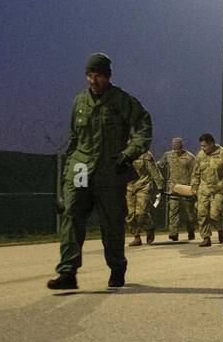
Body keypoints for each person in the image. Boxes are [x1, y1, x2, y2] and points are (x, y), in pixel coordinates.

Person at [48, 53, 152, 290]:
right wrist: (66, 183)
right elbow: (74, 141)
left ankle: (117, 269)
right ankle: (68, 272)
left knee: (112, 223)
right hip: (82, 168)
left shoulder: (121, 100)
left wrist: (130, 153)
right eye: (90, 76)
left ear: (108, 77)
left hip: (110, 169)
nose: (94, 81)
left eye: (99, 76)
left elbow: (144, 125)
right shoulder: (79, 102)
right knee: (72, 215)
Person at [191, 133, 223, 247]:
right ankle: (206, 237)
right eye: (201, 146)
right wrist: (194, 188)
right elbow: (195, 173)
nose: (202, 148)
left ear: (212, 144)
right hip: (203, 189)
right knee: (202, 213)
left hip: (218, 189)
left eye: (204, 146)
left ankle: (220, 228)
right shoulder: (200, 155)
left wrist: (222, 183)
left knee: (214, 214)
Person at [158, 137, 197, 241]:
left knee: (190, 213)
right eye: (174, 145)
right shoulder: (168, 155)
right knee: (173, 210)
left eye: (178, 145)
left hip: (186, 188)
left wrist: (194, 188)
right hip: (173, 188)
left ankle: (191, 230)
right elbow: (159, 165)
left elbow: (195, 173)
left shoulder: (190, 157)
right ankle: (173, 233)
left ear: (182, 145)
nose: (176, 147)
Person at [126, 148, 165, 245]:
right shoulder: (122, 154)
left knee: (141, 213)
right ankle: (136, 237)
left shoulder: (145, 155)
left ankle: (149, 227)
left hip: (143, 186)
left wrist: (160, 185)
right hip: (128, 187)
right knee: (129, 215)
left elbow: (154, 171)